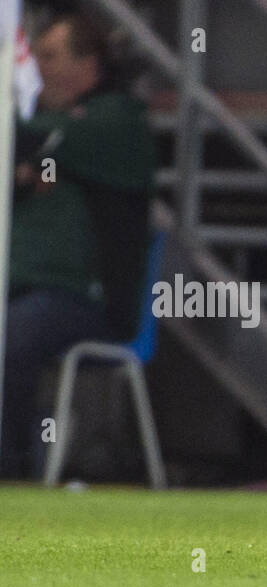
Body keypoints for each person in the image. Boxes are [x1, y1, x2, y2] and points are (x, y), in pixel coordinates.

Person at [0, 12, 154, 479]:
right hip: (23, 290)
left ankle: (12, 464)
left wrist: (32, 155)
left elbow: (51, 141)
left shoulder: (118, 120)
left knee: (16, 334)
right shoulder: (49, 125)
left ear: (88, 65)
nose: (36, 67)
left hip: (87, 301)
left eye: (48, 56)